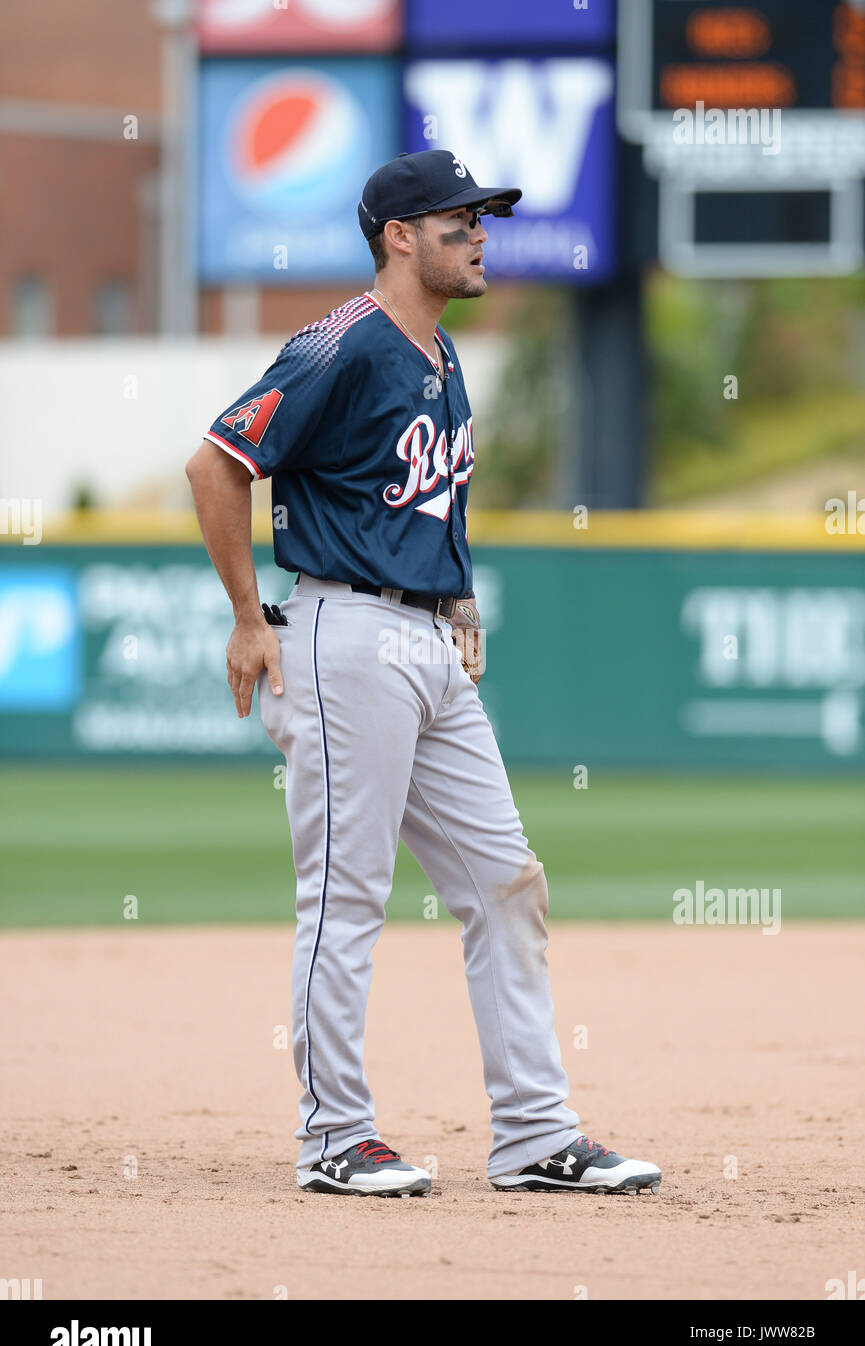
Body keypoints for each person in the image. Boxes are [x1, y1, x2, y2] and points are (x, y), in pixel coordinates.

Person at [186, 150, 661, 1199]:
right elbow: (217, 462)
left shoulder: (440, 356)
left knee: (505, 881)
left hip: (427, 643)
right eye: (459, 219)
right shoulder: (341, 343)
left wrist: (457, 598)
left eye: (481, 219)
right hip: (342, 633)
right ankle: (333, 1137)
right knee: (346, 895)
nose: (480, 235)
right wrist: (243, 618)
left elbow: (415, 502)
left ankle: (536, 1135)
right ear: (399, 236)